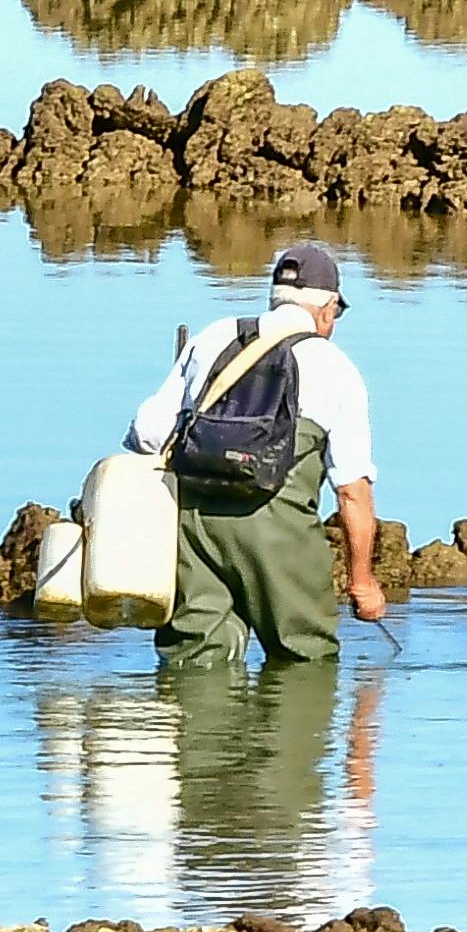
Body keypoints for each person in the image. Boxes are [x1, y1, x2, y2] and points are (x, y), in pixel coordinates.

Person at [125, 238, 385, 666]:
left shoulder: (212, 339)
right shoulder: (335, 367)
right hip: (277, 534)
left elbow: (146, 435)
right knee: (305, 660)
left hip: (193, 530)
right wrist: (363, 582)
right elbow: (351, 490)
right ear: (327, 308)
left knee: (195, 660)